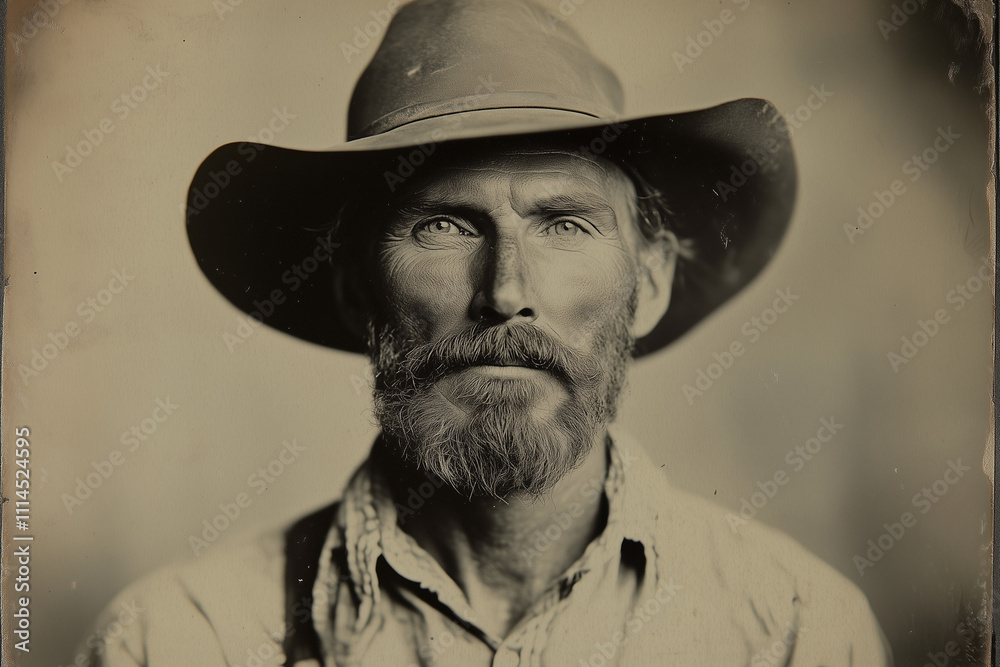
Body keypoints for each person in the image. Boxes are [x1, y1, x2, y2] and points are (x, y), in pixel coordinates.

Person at [84, 0, 892, 664]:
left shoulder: (795, 630)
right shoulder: (181, 640)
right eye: (442, 224)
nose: (505, 293)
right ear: (354, 290)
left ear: (648, 283)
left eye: (564, 225)